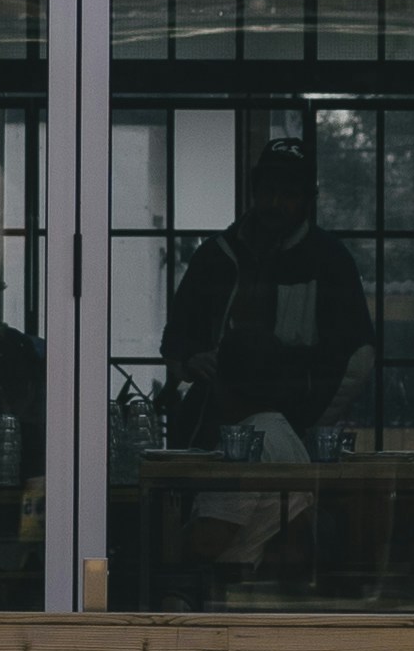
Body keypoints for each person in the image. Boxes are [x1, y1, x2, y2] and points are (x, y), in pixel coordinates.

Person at [161, 137, 377, 457]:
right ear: (255, 190)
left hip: (287, 432)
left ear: (307, 199)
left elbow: (356, 359)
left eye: (288, 194)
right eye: (268, 191)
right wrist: (191, 361)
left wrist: (305, 422)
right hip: (209, 429)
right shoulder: (214, 256)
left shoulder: (329, 262)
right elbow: (176, 335)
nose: (275, 202)